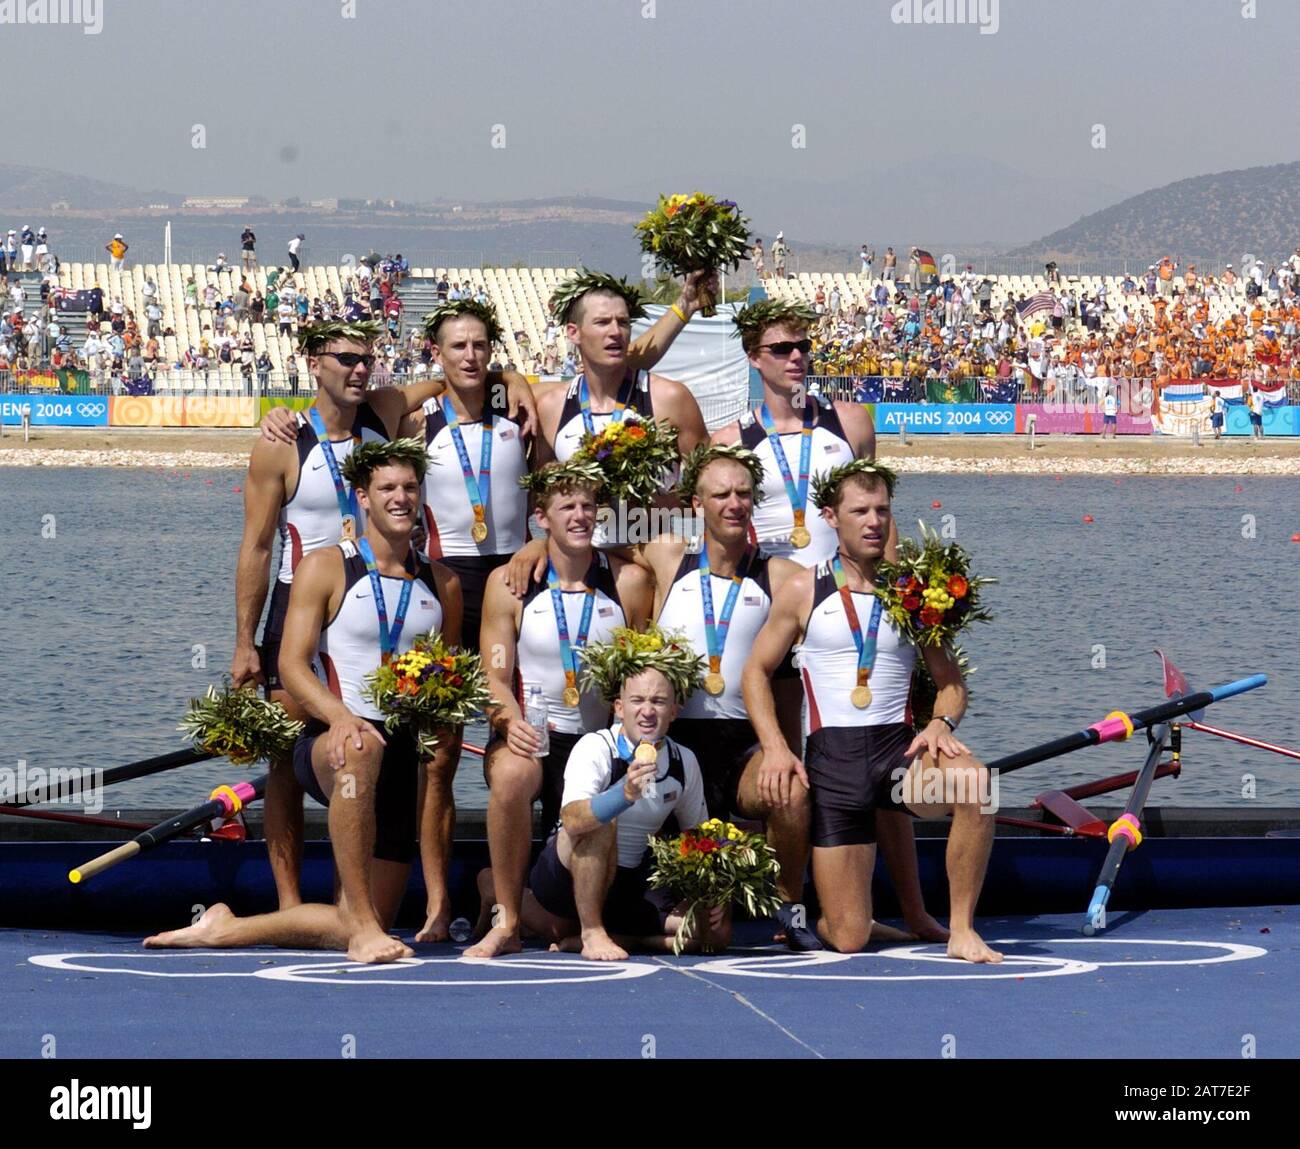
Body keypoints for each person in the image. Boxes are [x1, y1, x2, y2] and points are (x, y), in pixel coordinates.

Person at [148, 441, 462, 962]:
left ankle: (226, 928)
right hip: (332, 745)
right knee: (362, 748)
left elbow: (447, 676)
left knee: (353, 922)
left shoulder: (443, 582)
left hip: (401, 752)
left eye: (410, 487)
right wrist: (339, 716)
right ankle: (361, 928)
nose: (400, 497)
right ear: (363, 498)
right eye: (387, 488)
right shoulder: (324, 568)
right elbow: (292, 666)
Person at [743, 459, 1000, 962]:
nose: (874, 521)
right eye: (860, 510)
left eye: (882, 509)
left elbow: (951, 684)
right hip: (833, 765)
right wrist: (775, 746)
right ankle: (839, 915)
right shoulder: (803, 589)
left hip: (896, 756)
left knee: (977, 783)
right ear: (830, 516)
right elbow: (755, 671)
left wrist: (940, 723)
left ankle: (962, 930)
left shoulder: (913, 593)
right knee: (849, 939)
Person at [470, 462, 653, 958]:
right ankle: (506, 920)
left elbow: (643, 673)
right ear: (541, 519)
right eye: (566, 506)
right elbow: (493, 675)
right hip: (535, 735)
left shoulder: (629, 582)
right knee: (510, 776)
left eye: (588, 505)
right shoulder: (508, 586)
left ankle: (574, 921)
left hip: (595, 742)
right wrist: (510, 724)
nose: (579, 516)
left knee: (558, 928)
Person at [634, 444, 817, 941]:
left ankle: (789, 913)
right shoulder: (667, 555)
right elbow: (583, 543)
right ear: (696, 505)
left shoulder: (782, 576)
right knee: (708, 935)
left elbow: (792, 679)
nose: (734, 503)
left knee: (793, 794)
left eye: (743, 494)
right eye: (720, 495)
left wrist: (786, 751)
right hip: (676, 745)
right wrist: (533, 548)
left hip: (743, 745)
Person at [517, 638, 724, 959]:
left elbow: (697, 839)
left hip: (630, 881)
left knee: (716, 933)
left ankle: (626, 939)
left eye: (658, 701)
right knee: (600, 820)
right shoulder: (596, 746)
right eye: (637, 700)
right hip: (568, 870)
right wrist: (623, 794)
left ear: (674, 711)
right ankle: (590, 931)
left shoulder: (684, 761)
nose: (647, 711)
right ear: (618, 708)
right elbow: (572, 820)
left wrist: (704, 896)